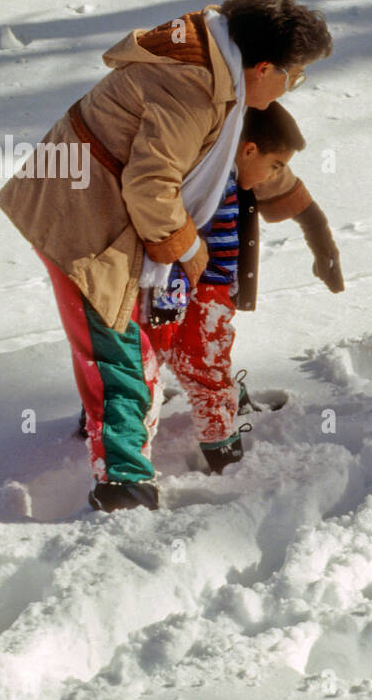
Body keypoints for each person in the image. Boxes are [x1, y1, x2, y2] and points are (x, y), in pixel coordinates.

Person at [0, 0, 334, 512]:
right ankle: (123, 486)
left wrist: (309, 216)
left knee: (133, 340)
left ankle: (106, 429)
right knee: (120, 352)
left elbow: (255, 163)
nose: (294, 87)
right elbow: (150, 186)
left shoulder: (223, 77)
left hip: (107, 213)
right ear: (264, 67)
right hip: (85, 222)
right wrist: (187, 248)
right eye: (296, 75)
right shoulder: (194, 85)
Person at [142, 102, 342, 476]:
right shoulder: (208, 178)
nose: (274, 175)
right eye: (275, 165)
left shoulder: (228, 167)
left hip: (181, 292)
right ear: (248, 148)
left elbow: (281, 184)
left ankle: (119, 413)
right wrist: (175, 290)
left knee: (166, 359)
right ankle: (225, 457)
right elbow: (174, 236)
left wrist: (320, 237)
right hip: (198, 293)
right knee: (207, 373)